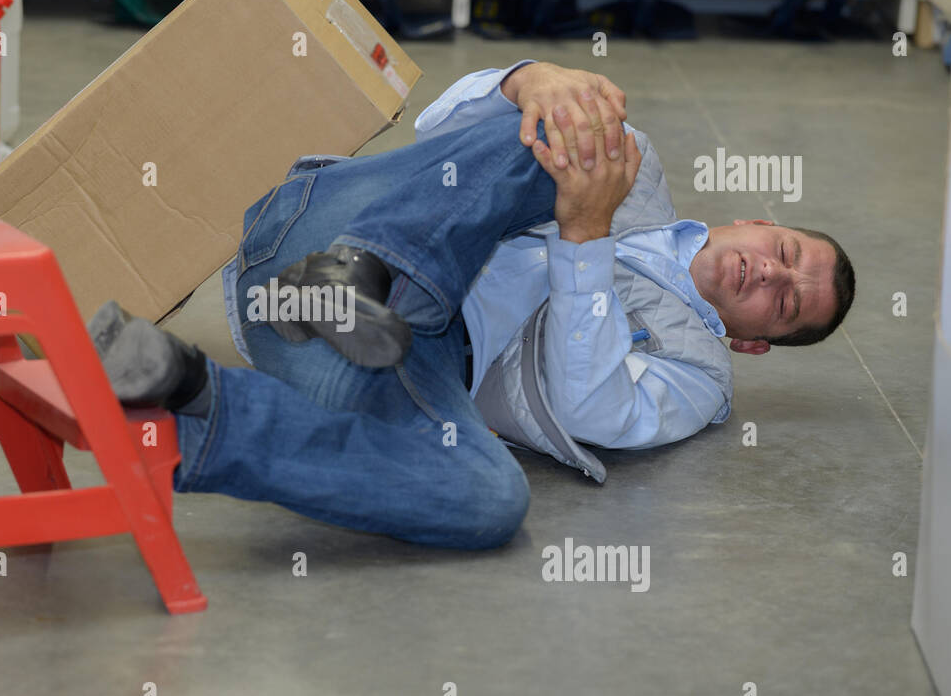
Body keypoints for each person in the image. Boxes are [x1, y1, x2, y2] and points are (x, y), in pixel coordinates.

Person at [88, 60, 856, 549]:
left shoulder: (697, 375)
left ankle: (186, 396)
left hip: (378, 362)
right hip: (326, 226)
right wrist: (525, 80)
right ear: (760, 221)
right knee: (583, 135)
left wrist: (584, 235)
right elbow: (439, 130)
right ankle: (359, 273)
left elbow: (593, 413)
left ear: (753, 344)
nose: (771, 276)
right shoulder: (636, 161)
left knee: (489, 499)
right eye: (788, 254)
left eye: (786, 306)